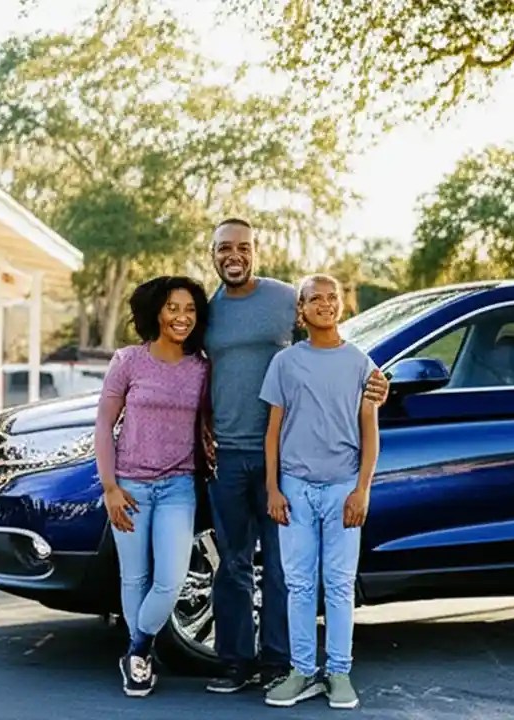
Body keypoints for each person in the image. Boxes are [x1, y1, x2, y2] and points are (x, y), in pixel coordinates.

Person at [202, 218, 389, 694]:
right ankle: (235, 663)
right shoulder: (208, 311)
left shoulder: (287, 297)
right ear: (213, 254)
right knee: (233, 562)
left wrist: (377, 383)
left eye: (243, 247)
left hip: (284, 459)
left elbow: (334, 344)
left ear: (255, 250)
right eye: (224, 248)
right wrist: (200, 419)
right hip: (228, 450)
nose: (234, 255)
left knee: (286, 571)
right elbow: (198, 370)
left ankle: (283, 664)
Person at [261, 273, 379, 710]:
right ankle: (302, 671)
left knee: (339, 584)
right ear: (302, 310)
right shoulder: (285, 364)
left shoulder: (361, 364)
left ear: (341, 305)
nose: (325, 304)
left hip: (343, 487)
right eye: (314, 299)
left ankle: (340, 673)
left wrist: (361, 489)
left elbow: (371, 433)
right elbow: (272, 432)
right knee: (299, 584)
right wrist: (273, 488)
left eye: (332, 298)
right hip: (295, 487)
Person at [94, 276, 213, 698]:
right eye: (172, 308)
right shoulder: (128, 361)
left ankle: (137, 646)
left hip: (178, 486)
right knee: (135, 578)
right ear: (156, 312)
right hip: (130, 486)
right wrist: (109, 487)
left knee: (170, 580)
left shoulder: (202, 367)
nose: (181, 317)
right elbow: (104, 424)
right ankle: (140, 661)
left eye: (190, 310)